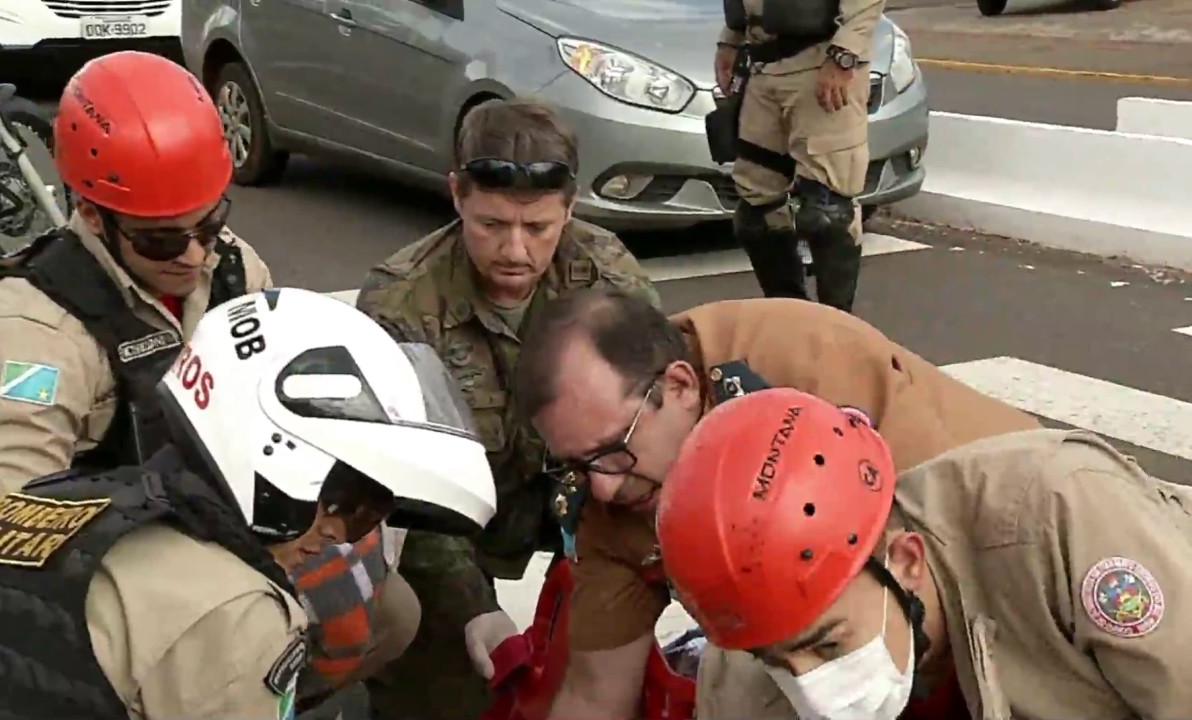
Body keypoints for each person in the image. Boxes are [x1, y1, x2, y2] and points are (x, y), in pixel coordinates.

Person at [0, 288, 498, 719]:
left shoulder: (80, 498)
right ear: (277, 458)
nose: (344, 535)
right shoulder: (235, 610)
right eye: (351, 503)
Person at [510, 289, 1042, 719]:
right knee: (738, 682)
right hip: (836, 642)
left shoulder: (800, 369)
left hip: (1004, 571)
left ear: (680, 386)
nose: (602, 486)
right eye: (577, 466)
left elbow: (933, 554)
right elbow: (595, 695)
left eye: (613, 450)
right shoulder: (606, 503)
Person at [355, 98, 660, 719]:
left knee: (603, 680)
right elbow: (396, 500)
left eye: (539, 228)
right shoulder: (400, 307)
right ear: (457, 196)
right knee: (442, 688)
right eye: (492, 224)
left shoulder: (611, 284)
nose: (515, 250)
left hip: (579, 504)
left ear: (570, 208)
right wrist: (474, 610)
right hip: (447, 526)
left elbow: (654, 443)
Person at [658, 388, 1192, 720]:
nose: (817, 694)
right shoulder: (742, 669)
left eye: (827, 646)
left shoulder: (1058, 517)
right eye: (775, 663)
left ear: (905, 561)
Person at [0, 50, 271, 528]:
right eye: (161, 239)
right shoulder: (23, 334)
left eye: (211, 222)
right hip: (105, 573)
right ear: (93, 215)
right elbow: (6, 534)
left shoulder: (234, 268)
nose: (195, 256)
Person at [713, 0, 884, 311]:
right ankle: (791, 317)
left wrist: (844, 56)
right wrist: (731, 39)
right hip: (763, 67)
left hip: (821, 63)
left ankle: (837, 328)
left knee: (826, 212)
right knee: (756, 210)